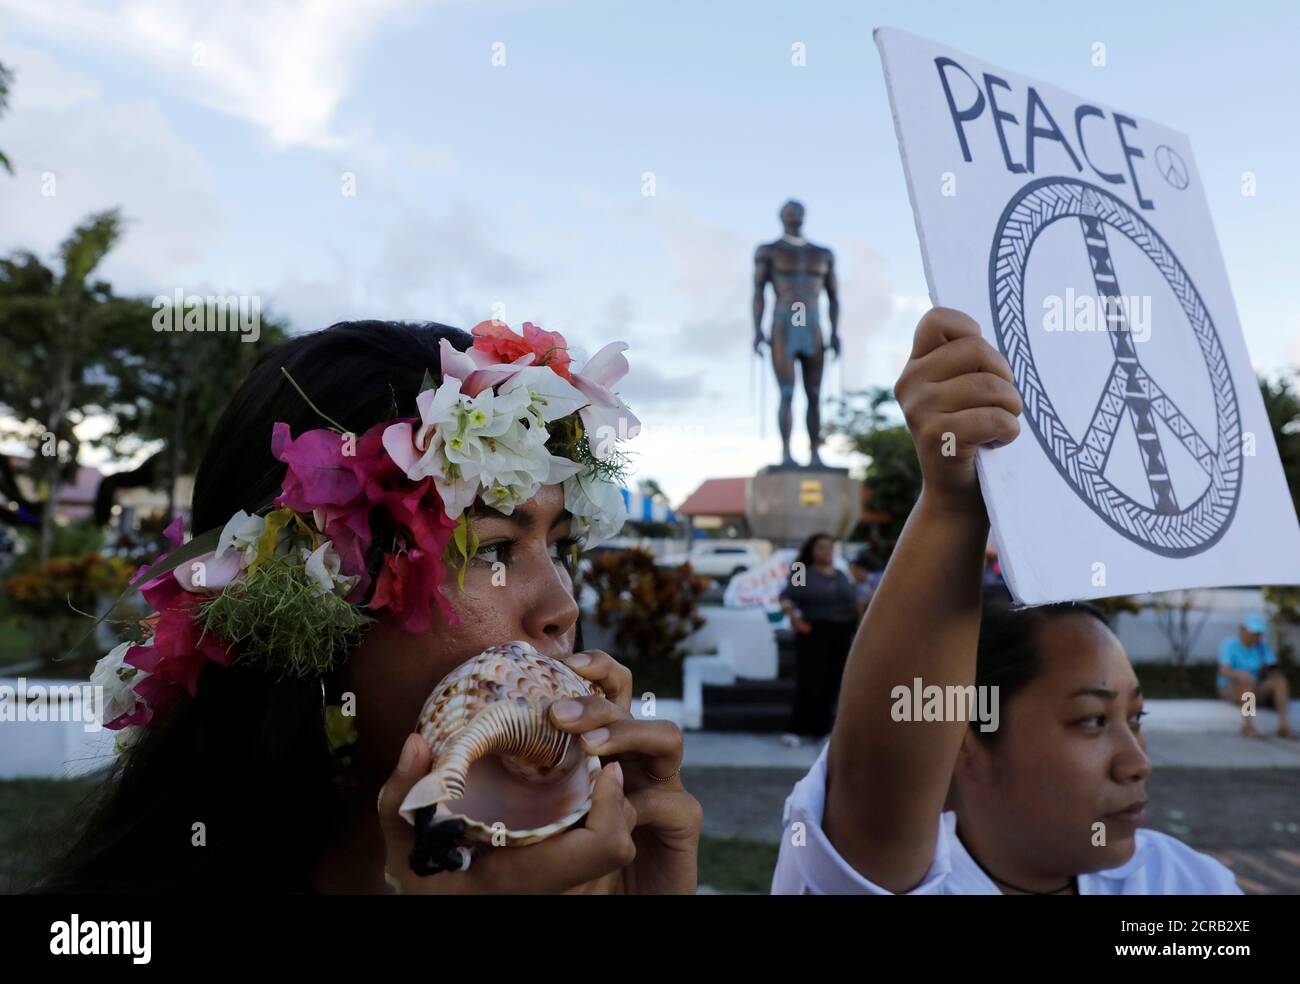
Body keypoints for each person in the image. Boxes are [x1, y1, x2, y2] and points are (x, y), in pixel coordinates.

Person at [34, 319, 701, 894]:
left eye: (561, 548)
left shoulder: (597, 869)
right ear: (301, 608)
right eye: (493, 552)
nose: (562, 609)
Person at [771, 307, 1240, 895]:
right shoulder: (902, 877)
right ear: (964, 739)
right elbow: (876, 792)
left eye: (1135, 718)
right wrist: (952, 501)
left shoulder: (1188, 885)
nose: (1137, 761)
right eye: (1092, 720)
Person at [778, 533, 859, 746]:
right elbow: (786, 597)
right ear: (811, 550)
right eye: (822, 548)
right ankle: (796, 729)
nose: (827, 552)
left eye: (830, 548)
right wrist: (793, 618)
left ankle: (823, 731)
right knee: (809, 680)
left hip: (841, 632)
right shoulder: (801, 570)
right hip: (812, 632)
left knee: (832, 682)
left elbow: (853, 601)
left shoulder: (841, 574)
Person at [1218, 613, 1292, 738]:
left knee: (1280, 682)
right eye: (1254, 633)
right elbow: (1225, 671)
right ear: (1242, 630)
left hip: (1254, 687)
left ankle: (1283, 726)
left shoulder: (1263, 647)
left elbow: (1273, 669)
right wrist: (1240, 674)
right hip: (1231, 687)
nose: (1257, 637)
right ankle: (1248, 726)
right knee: (1246, 682)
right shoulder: (1229, 644)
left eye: (1259, 633)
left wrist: (1273, 675)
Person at [846, 548, 881, 618]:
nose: (852, 574)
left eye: (853, 570)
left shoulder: (880, 578)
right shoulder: (856, 586)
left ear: (861, 569)